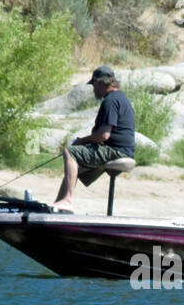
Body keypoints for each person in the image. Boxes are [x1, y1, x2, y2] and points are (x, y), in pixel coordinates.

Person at [51, 65, 136, 211]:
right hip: (124, 150)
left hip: (116, 151)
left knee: (70, 152)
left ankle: (67, 200)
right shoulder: (121, 98)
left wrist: (80, 141)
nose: (93, 89)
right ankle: (59, 203)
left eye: (94, 85)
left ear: (100, 82)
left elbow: (103, 135)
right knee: (77, 159)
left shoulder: (110, 101)